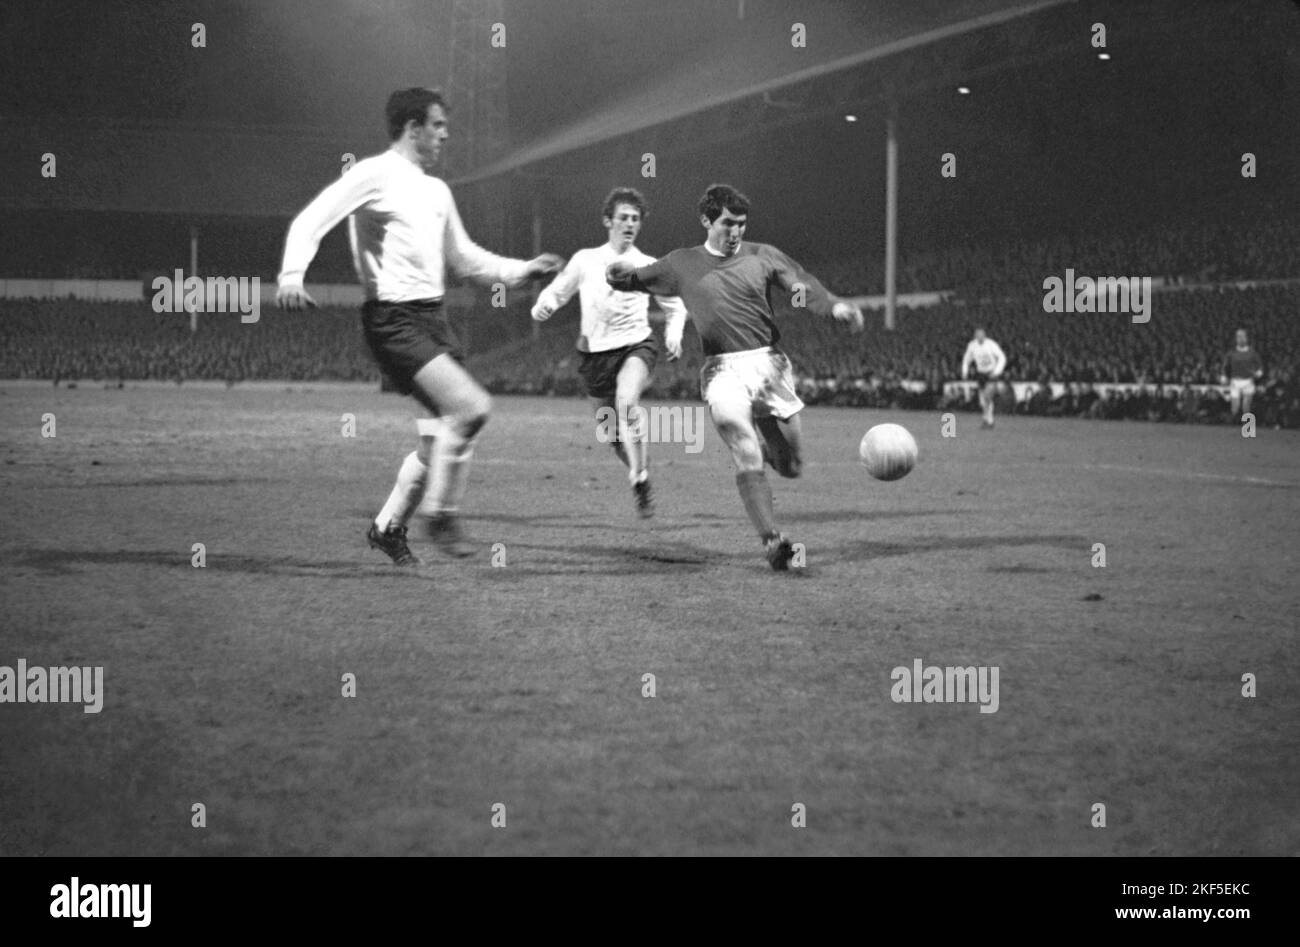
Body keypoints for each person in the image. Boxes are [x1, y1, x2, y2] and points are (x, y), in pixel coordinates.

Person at [275, 87, 563, 565]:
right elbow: (311, 220)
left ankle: (388, 528)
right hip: (393, 319)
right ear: (413, 129)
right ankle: (440, 515)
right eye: (439, 126)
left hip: (434, 318)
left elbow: (466, 258)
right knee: (471, 409)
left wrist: (522, 270)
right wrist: (290, 275)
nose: (446, 135)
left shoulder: (437, 190)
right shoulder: (373, 174)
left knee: (437, 444)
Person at [606, 183, 864, 571]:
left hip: (769, 367)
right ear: (706, 221)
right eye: (727, 224)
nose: (736, 232)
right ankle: (773, 541)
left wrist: (834, 307)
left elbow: (801, 286)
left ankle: (766, 438)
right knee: (743, 446)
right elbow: (636, 278)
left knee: (791, 466)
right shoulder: (681, 263)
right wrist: (617, 274)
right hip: (722, 370)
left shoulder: (763, 256)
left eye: (741, 224)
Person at [530, 187, 687, 517]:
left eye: (635, 219)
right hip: (594, 355)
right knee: (611, 433)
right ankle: (638, 472)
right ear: (608, 221)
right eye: (623, 218)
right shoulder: (586, 259)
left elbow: (675, 307)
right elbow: (558, 292)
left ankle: (641, 476)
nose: (629, 224)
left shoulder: (648, 265)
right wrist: (542, 307)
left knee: (626, 403)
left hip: (636, 346)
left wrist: (673, 335)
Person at [960, 327, 1008, 428]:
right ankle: (988, 420)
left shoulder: (991, 344)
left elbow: (1002, 357)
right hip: (981, 374)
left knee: (987, 396)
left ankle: (989, 421)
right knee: (983, 400)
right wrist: (965, 371)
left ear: (985, 335)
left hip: (991, 373)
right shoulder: (972, 346)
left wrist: (996, 371)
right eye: (978, 335)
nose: (980, 337)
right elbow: (966, 359)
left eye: (982, 335)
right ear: (975, 336)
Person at [1220, 328, 1264, 420]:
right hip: (1235, 382)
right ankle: (1234, 426)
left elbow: (1260, 366)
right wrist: (1223, 375)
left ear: (1247, 338)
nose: (1240, 338)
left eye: (1243, 336)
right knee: (1234, 408)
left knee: (1246, 407)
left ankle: (1248, 430)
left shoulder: (1252, 353)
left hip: (1248, 381)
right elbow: (1225, 365)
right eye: (1238, 336)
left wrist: (1259, 373)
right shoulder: (1231, 353)